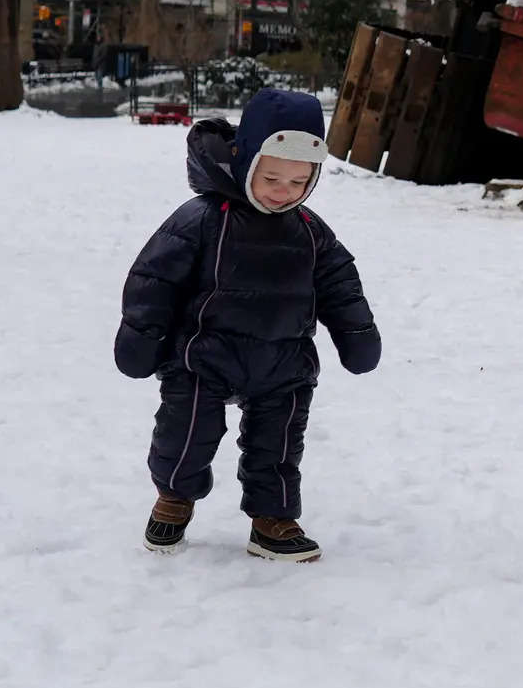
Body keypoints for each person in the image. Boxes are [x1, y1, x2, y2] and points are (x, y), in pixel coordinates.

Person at [114, 88, 381, 562]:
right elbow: (154, 279)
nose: (284, 190)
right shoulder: (201, 219)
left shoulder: (310, 231)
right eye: (272, 176)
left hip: (284, 361)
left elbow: (342, 285)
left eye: (299, 181)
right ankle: (174, 497)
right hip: (204, 356)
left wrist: (356, 334)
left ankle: (272, 518)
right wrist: (141, 340)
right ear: (245, 161)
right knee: (187, 432)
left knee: (278, 446)